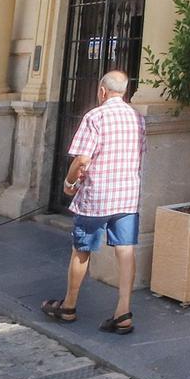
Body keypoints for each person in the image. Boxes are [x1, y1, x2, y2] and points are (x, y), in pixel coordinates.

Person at [41, 70, 145, 334]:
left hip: (97, 196)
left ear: (101, 91)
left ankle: (69, 305)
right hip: (127, 195)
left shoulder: (95, 116)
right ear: (125, 91)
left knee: (82, 249)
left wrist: (69, 183)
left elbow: (83, 159)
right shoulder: (137, 118)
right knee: (126, 251)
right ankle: (123, 311)